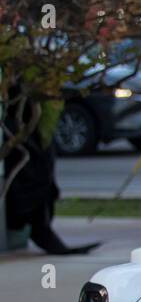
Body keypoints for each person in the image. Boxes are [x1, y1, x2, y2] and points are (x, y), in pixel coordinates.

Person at [2, 106, 99, 255]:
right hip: (17, 121)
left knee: (40, 164)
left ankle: (42, 230)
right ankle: (40, 230)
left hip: (28, 118)